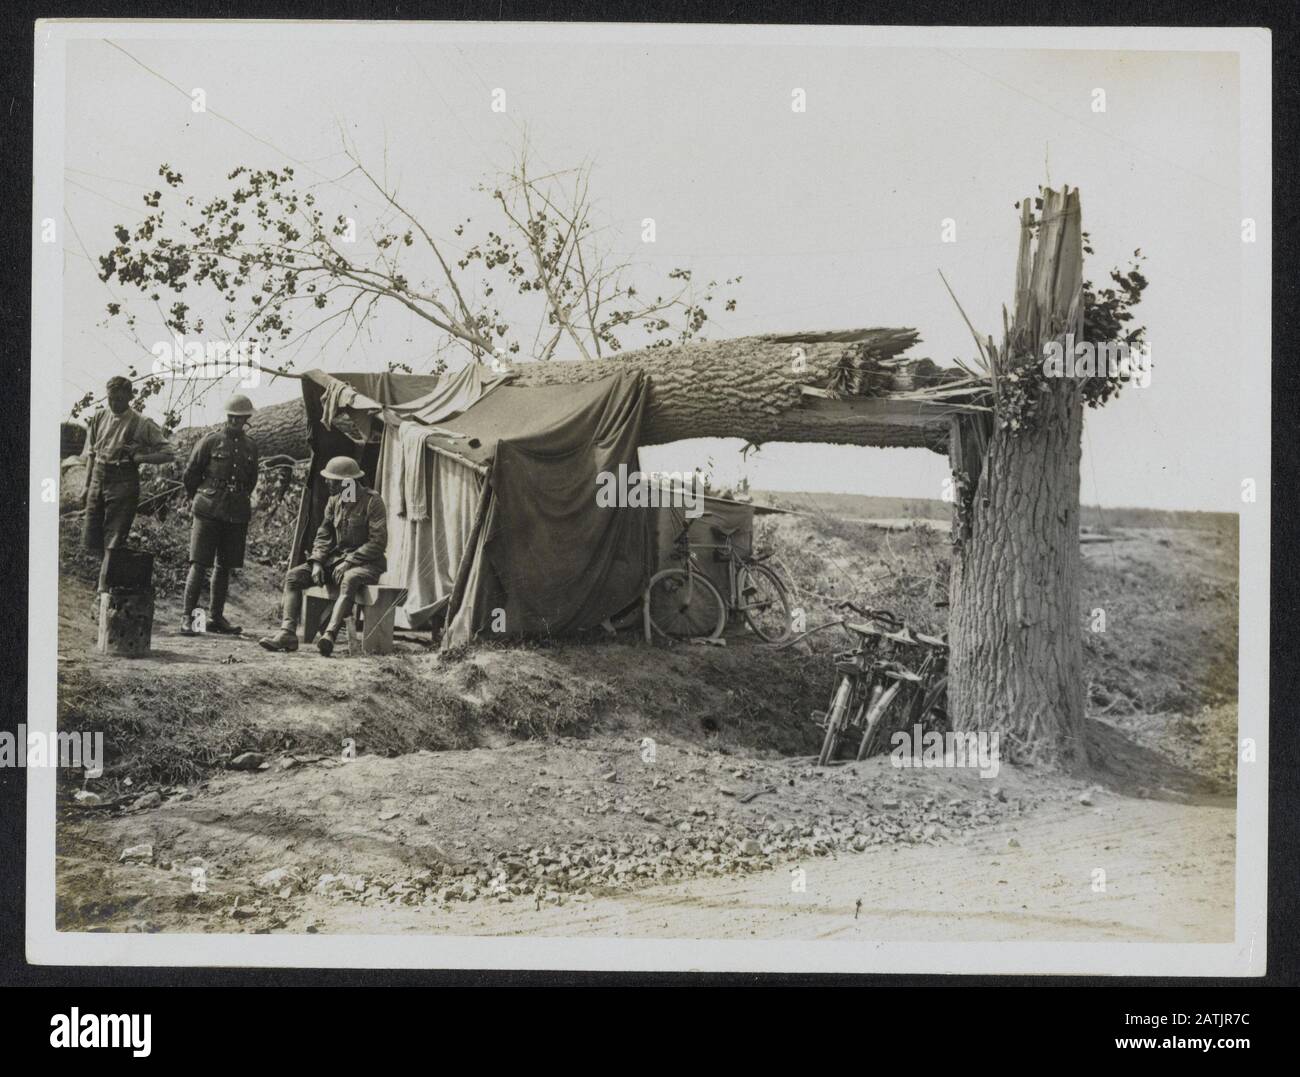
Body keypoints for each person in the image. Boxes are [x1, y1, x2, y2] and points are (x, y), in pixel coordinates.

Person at [259, 456, 388, 657]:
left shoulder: (372, 502)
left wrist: (349, 561)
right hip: (335, 562)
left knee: (350, 578)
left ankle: (329, 636)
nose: (327, 482)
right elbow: (324, 534)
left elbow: (377, 543)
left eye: (333, 480)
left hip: (367, 563)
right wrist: (318, 562)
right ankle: (287, 633)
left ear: (348, 482)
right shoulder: (334, 501)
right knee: (294, 577)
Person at [81, 376, 175, 591]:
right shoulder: (99, 417)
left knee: (114, 539)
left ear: (130, 398)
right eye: (111, 399)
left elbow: (168, 453)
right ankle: (107, 581)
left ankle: (103, 591)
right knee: (93, 536)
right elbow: (92, 454)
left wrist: (142, 458)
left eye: (120, 400)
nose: (115, 404)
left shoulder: (142, 423)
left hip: (123, 482)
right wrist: (87, 486)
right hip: (98, 476)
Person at [180, 394, 260, 636]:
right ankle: (188, 618)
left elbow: (251, 479)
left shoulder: (251, 446)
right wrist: (199, 497)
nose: (235, 422)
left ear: (247, 419)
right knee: (199, 563)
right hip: (208, 509)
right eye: (231, 418)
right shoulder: (211, 441)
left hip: (236, 512)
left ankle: (215, 617)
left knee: (224, 566)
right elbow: (191, 473)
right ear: (227, 417)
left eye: (240, 418)